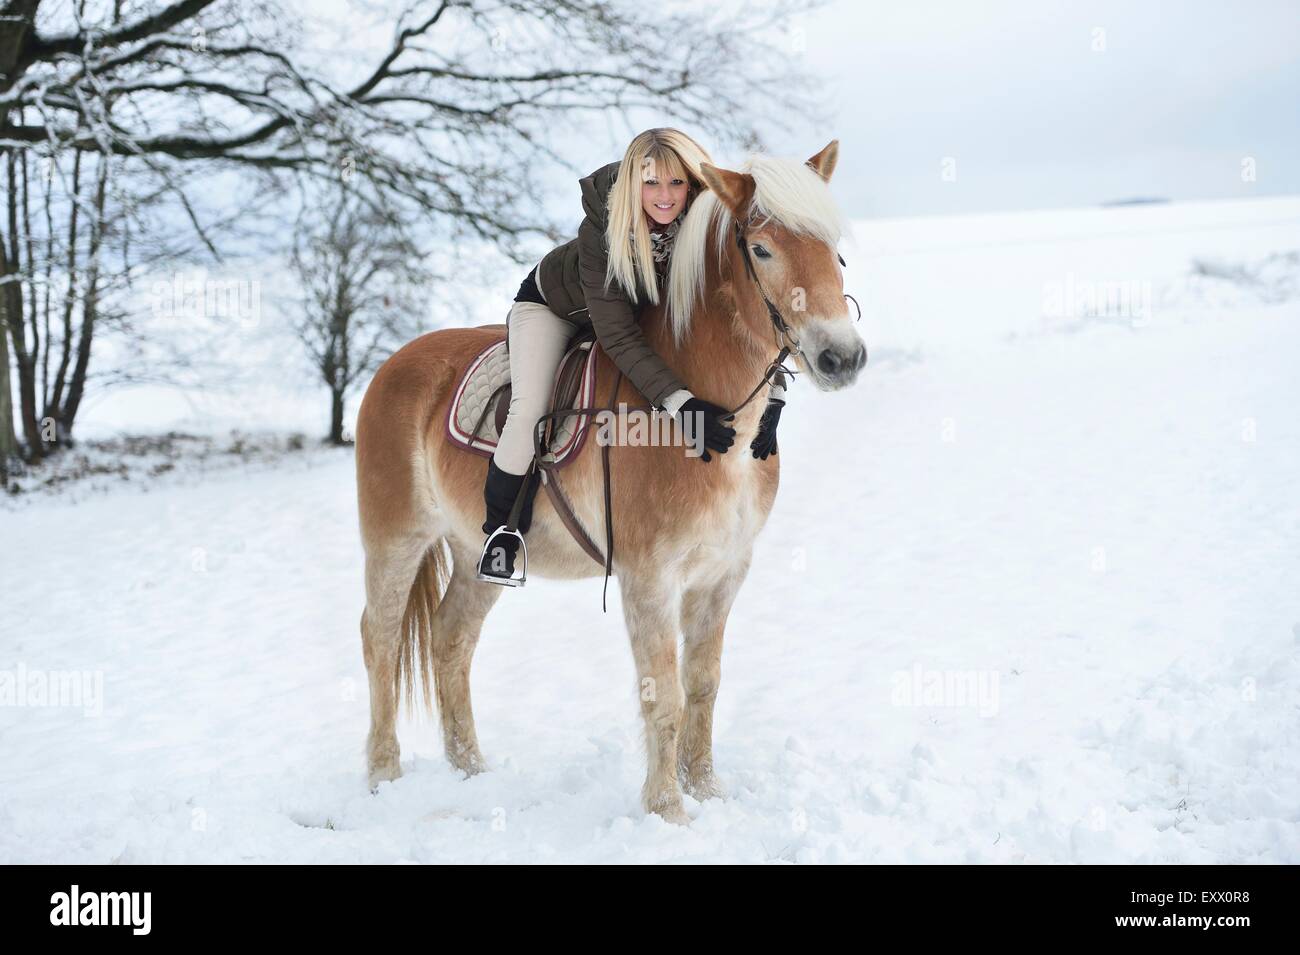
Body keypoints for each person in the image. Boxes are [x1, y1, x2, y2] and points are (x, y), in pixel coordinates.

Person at [478, 128, 786, 583]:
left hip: (639, 313)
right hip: (558, 309)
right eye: (651, 183)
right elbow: (617, 335)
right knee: (529, 411)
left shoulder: (712, 224)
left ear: (692, 184)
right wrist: (681, 404)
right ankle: (500, 536)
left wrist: (773, 395)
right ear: (632, 184)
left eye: (676, 183)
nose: (664, 197)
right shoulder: (602, 228)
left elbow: (747, 308)